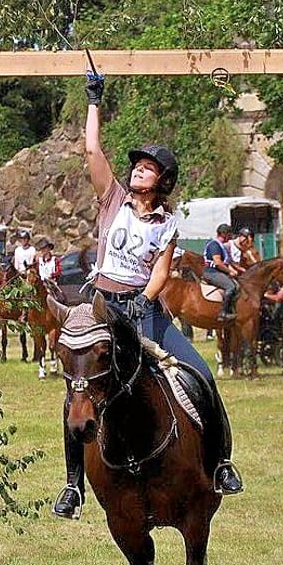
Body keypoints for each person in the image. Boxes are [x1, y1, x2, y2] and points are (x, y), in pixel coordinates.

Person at [51, 67, 243, 519]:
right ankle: (73, 486)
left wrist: (144, 299)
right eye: (138, 165)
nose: (139, 168)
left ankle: (220, 466)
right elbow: (93, 149)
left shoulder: (168, 224)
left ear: (162, 181)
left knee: (202, 376)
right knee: (77, 389)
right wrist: (93, 100)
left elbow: (160, 271)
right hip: (100, 306)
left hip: (144, 309)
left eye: (148, 167)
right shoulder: (112, 199)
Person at [202, 223, 241, 322]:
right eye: (229, 234)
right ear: (223, 234)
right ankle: (223, 313)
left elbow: (228, 261)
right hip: (212, 272)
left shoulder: (221, 246)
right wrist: (230, 271)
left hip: (217, 272)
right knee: (231, 286)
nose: (230, 236)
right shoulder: (214, 245)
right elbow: (218, 263)